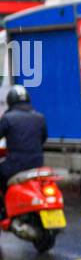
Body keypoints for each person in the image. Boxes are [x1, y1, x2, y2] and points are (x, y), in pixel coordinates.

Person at [0, 85, 48, 217]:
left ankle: (3, 209)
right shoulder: (40, 117)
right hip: (37, 163)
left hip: (15, 165)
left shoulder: (7, 118)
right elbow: (43, 138)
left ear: (10, 101)